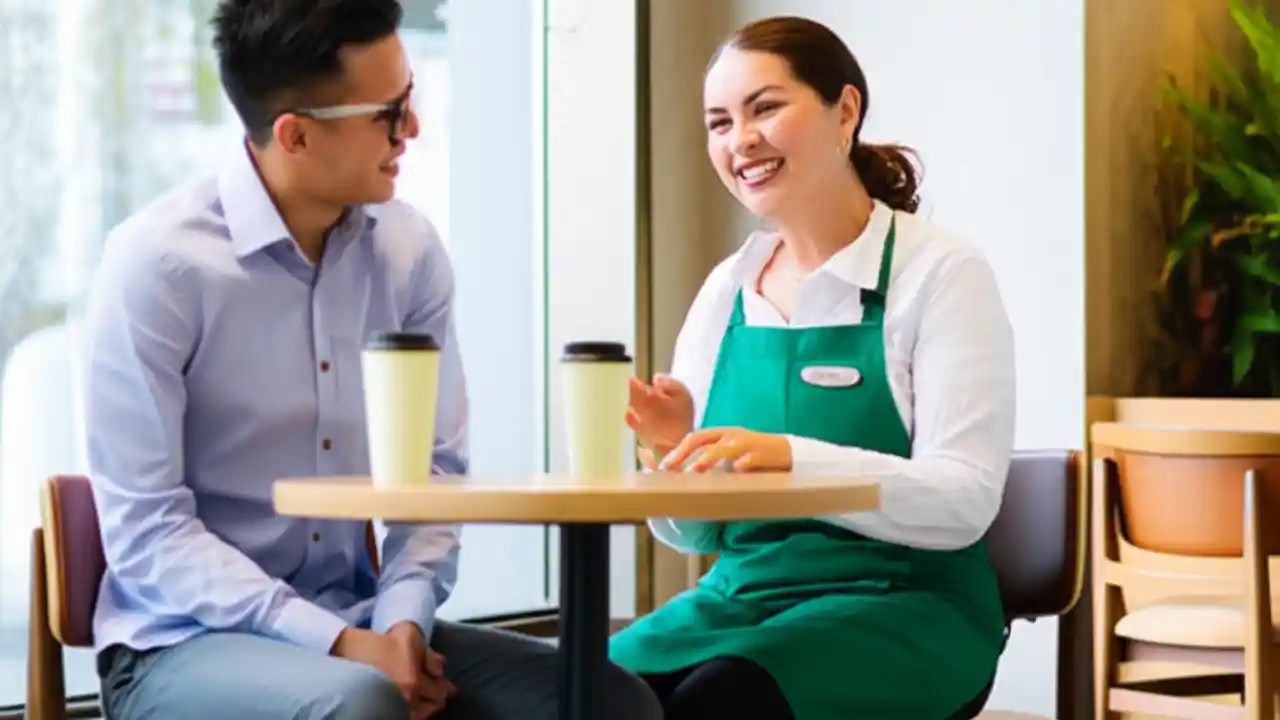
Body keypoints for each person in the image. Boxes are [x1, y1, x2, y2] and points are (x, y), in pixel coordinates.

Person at [82, 1, 662, 719]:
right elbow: (148, 532)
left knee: (611, 704)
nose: (412, 129)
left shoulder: (408, 252)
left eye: (410, 99)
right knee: (361, 705)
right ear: (294, 135)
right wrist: (336, 643)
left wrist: (401, 623)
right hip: (180, 642)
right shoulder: (157, 266)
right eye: (388, 112)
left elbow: (434, 478)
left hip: (361, 620)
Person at [609, 15, 1016, 720]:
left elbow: (964, 500)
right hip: (740, 603)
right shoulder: (724, 292)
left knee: (722, 700)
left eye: (765, 108)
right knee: (590, 691)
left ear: (845, 111)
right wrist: (672, 455)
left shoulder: (940, 274)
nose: (741, 140)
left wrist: (787, 458)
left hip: (910, 609)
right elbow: (696, 535)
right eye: (719, 122)